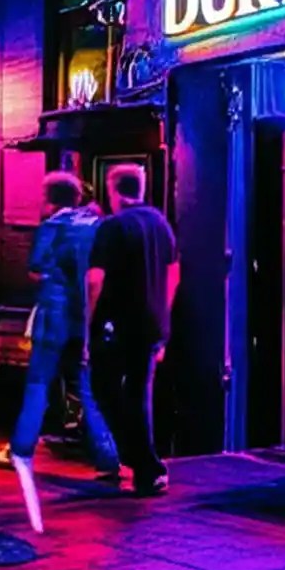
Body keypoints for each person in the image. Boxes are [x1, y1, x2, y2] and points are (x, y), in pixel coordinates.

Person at [0, 172, 120, 531]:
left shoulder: (52, 225)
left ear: (50, 197)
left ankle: (21, 448)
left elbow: (35, 269)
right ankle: (108, 456)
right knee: (85, 386)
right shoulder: (95, 224)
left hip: (54, 315)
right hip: (84, 316)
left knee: (38, 383)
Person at [87, 164, 179, 496]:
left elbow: (95, 280)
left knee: (103, 388)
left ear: (113, 190)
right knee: (139, 393)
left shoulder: (112, 227)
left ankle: (142, 462)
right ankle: (144, 466)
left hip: (118, 323)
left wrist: (89, 323)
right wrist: (163, 314)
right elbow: (174, 272)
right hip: (153, 322)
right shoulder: (160, 223)